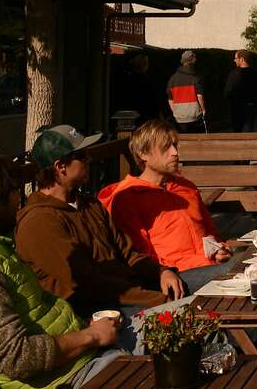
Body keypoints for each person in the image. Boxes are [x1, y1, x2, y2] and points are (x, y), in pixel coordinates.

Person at [0, 153, 124, 389]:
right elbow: (17, 358)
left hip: (79, 361)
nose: (18, 199)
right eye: (13, 190)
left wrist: (88, 328)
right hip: (68, 379)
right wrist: (92, 336)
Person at [15, 125, 186, 338]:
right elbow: (88, 285)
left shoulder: (89, 204)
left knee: (217, 283)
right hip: (101, 314)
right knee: (198, 314)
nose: (89, 159)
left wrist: (161, 271)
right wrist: (157, 300)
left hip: (133, 290)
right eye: (81, 155)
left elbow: (128, 253)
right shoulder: (39, 222)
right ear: (60, 166)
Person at [99, 120, 241, 291]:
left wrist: (218, 250)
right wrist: (164, 271)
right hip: (172, 276)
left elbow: (210, 233)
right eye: (166, 147)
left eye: (175, 145)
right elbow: (137, 256)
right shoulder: (128, 197)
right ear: (143, 153)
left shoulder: (186, 187)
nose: (175, 153)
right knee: (239, 273)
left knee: (254, 262)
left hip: (209, 266)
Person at [167, 50, 206, 132]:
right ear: (193, 61)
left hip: (179, 118)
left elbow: (170, 100)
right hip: (195, 116)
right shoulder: (195, 78)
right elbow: (199, 96)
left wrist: (176, 112)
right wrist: (203, 109)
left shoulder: (172, 79)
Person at [223, 49, 257, 133]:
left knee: (237, 133)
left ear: (242, 59)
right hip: (250, 107)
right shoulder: (255, 74)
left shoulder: (233, 74)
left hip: (236, 109)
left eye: (236, 58)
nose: (234, 60)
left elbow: (227, 93)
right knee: (248, 132)